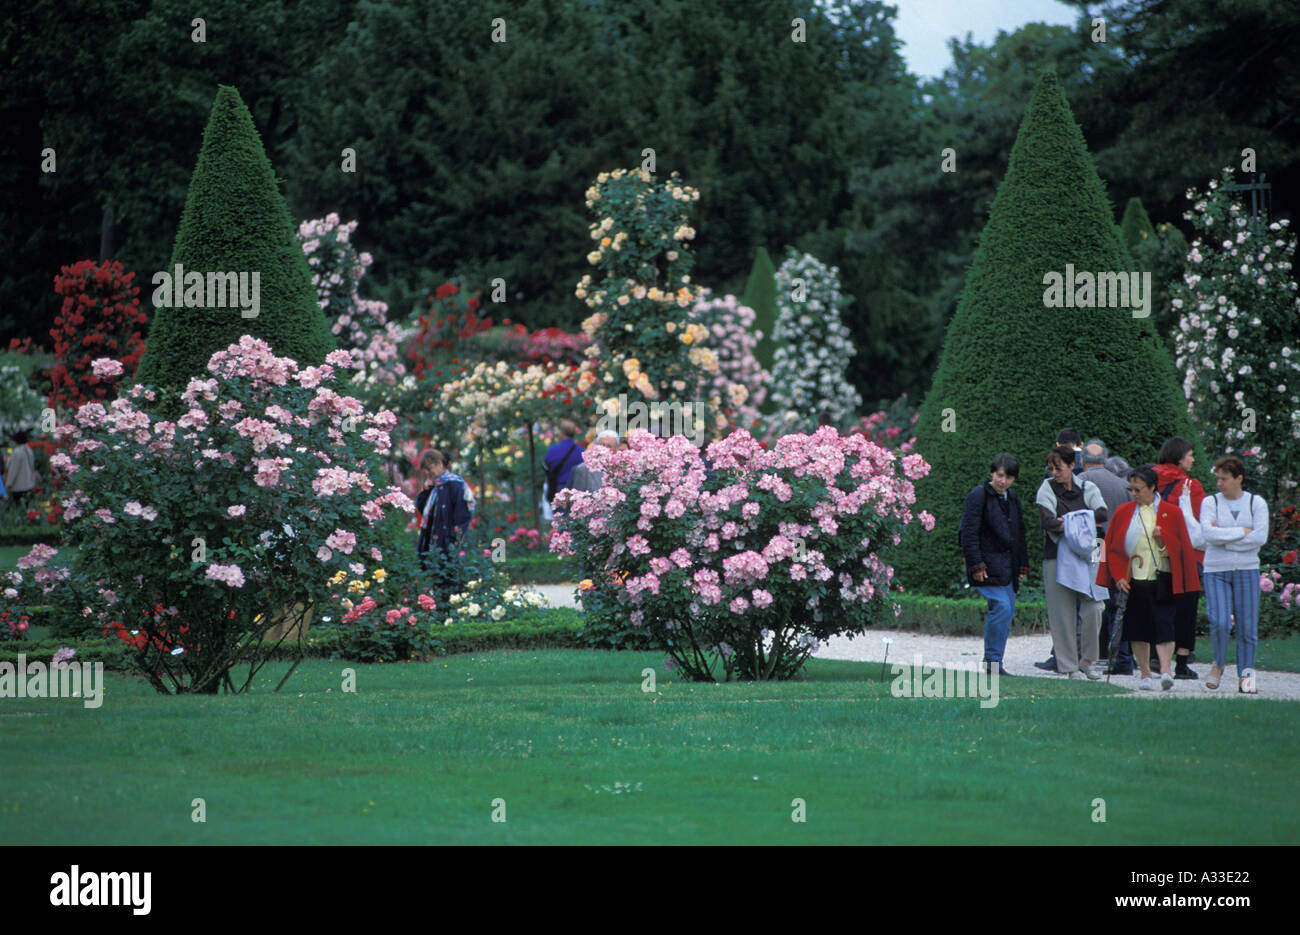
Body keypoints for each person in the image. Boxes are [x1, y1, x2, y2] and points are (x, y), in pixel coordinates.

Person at [1097, 465, 1200, 691]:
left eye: (1138, 489)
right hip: (1134, 579)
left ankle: (1165, 670)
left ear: (1153, 488)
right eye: (1131, 489)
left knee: (1165, 626)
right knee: (1137, 629)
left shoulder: (1172, 513)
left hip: (1161, 578)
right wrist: (1118, 577)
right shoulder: (1124, 512)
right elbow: (1113, 548)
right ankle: (1144, 673)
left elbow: (1180, 549)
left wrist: (1162, 542)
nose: (1133, 493)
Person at [1036, 445, 1108, 678]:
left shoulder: (1088, 488)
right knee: (1061, 614)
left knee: (1096, 606)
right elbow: (1048, 521)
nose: (1054, 473)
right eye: (1051, 469)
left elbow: (1102, 514)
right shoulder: (1045, 489)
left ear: (1071, 466)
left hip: (1091, 553)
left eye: (1058, 468)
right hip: (1056, 555)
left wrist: (1067, 521)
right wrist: (1084, 521)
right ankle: (1068, 666)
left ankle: (1087, 659)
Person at [1200, 456, 1269, 693]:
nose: (1219, 483)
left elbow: (1259, 538)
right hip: (1216, 570)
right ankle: (1218, 664)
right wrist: (1241, 532)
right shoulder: (1211, 502)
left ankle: (1246, 676)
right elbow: (1209, 535)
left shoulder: (1256, 503)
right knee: (1219, 621)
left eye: (1225, 479)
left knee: (1247, 627)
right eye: (1218, 478)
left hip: (1247, 569)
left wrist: (1226, 540)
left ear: (1239, 478)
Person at [959, 453, 1029, 676]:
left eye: (1008, 477)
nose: (1003, 481)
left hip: (1008, 566)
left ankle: (995, 662)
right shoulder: (978, 495)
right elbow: (967, 532)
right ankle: (991, 661)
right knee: (1002, 607)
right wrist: (976, 565)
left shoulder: (1012, 497)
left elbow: (1020, 532)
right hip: (987, 566)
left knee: (1006, 612)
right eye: (1000, 475)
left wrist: (1023, 564)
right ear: (992, 473)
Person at [1079, 439, 1135, 674]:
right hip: (1119, 547)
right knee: (1117, 603)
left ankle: (1080, 656)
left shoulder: (1079, 482)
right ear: (1104, 460)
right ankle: (1122, 657)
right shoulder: (1123, 485)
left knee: (1086, 601)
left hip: (1093, 546)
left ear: (1082, 461)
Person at [1154, 437, 1207, 678]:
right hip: (1186, 556)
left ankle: (1156, 657)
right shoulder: (1190, 485)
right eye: (1190, 455)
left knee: (1160, 606)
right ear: (1179, 457)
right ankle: (1182, 664)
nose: (1193, 459)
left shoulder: (1149, 478)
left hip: (1156, 551)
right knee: (1186, 610)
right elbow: (1202, 521)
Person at [413, 450, 474, 600]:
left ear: (440, 464)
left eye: (430, 468)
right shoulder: (434, 486)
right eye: (425, 470)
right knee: (433, 577)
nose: (428, 473)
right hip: (432, 541)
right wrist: (426, 490)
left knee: (448, 579)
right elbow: (422, 509)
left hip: (447, 542)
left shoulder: (455, 485)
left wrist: (453, 539)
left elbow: (462, 516)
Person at [543, 420, 585, 510]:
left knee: (561, 518)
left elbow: (546, 468)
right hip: (578, 489)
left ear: (562, 433)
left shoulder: (553, 450)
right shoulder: (581, 451)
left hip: (560, 488)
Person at [4, 430, 37, 511]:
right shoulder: (29, 450)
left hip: (19, 485)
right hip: (29, 483)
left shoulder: (17, 452)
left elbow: (13, 470)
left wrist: (9, 483)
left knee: (18, 507)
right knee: (28, 507)